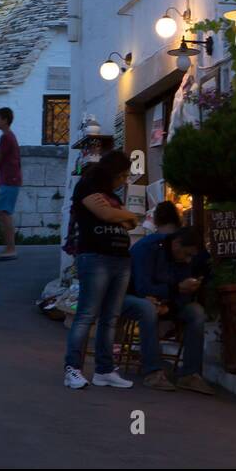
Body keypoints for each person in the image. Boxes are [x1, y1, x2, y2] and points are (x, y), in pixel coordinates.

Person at [63, 150, 137, 390]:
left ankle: (104, 370)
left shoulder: (109, 195)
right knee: (86, 315)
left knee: (110, 318)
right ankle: (72, 368)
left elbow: (129, 221)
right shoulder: (86, 187)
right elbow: (107, 214)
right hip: (95, 257)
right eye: (123, 175)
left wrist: (122, 215)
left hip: (120, 258)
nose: (124, 180)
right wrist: (123, 215)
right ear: (112, 172)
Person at [120, 211, 215, 394]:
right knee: (147, 308)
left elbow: (183, 288)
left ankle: (190, 374)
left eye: (191, 257)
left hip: (167, 301)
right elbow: (142, 287)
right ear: (176, 244)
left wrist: (173, 301)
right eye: (186, 255)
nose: (187, 260)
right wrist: (176, 290)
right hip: (132, 297)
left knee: (196, 312)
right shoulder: (148, 248)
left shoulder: (187, 258)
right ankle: (153, 371)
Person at [0, 107, 21, 261]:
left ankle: (10, 248)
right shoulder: (10, 136)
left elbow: (0, 157)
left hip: (9, 179)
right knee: (4, 212)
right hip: (11, 179)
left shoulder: (6, 137)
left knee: (4, 213)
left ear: (4, 119)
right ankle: (9, 247)